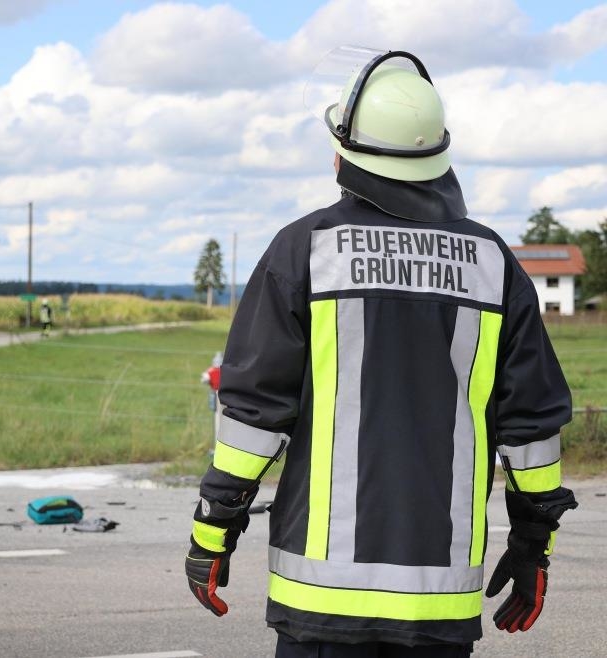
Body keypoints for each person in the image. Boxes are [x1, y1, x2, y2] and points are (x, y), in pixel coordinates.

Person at [185, 48, 577, 657]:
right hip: (438, 602)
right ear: (438, 157)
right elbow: (533, 430)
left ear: (343, 153)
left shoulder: (304, 251)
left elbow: (253, 416)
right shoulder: (493, 264)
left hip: (321, 600)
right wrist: (532, 547)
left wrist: (213, 529)